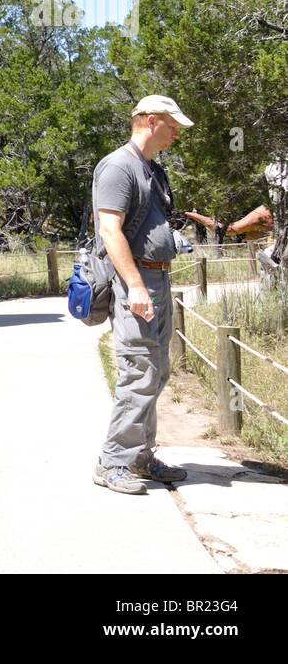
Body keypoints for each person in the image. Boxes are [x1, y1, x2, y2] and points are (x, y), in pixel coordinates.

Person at [92, 95, 193, 494]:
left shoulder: (151, 168)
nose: (177, 134)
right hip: (137, 282)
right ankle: (113, 460)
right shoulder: (119, 167)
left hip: (158, 280)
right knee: (140, 371)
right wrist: (135, 285)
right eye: (173, 126)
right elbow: (109, 230)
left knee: (157, 371)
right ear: (152, 121)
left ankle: (140, 456)